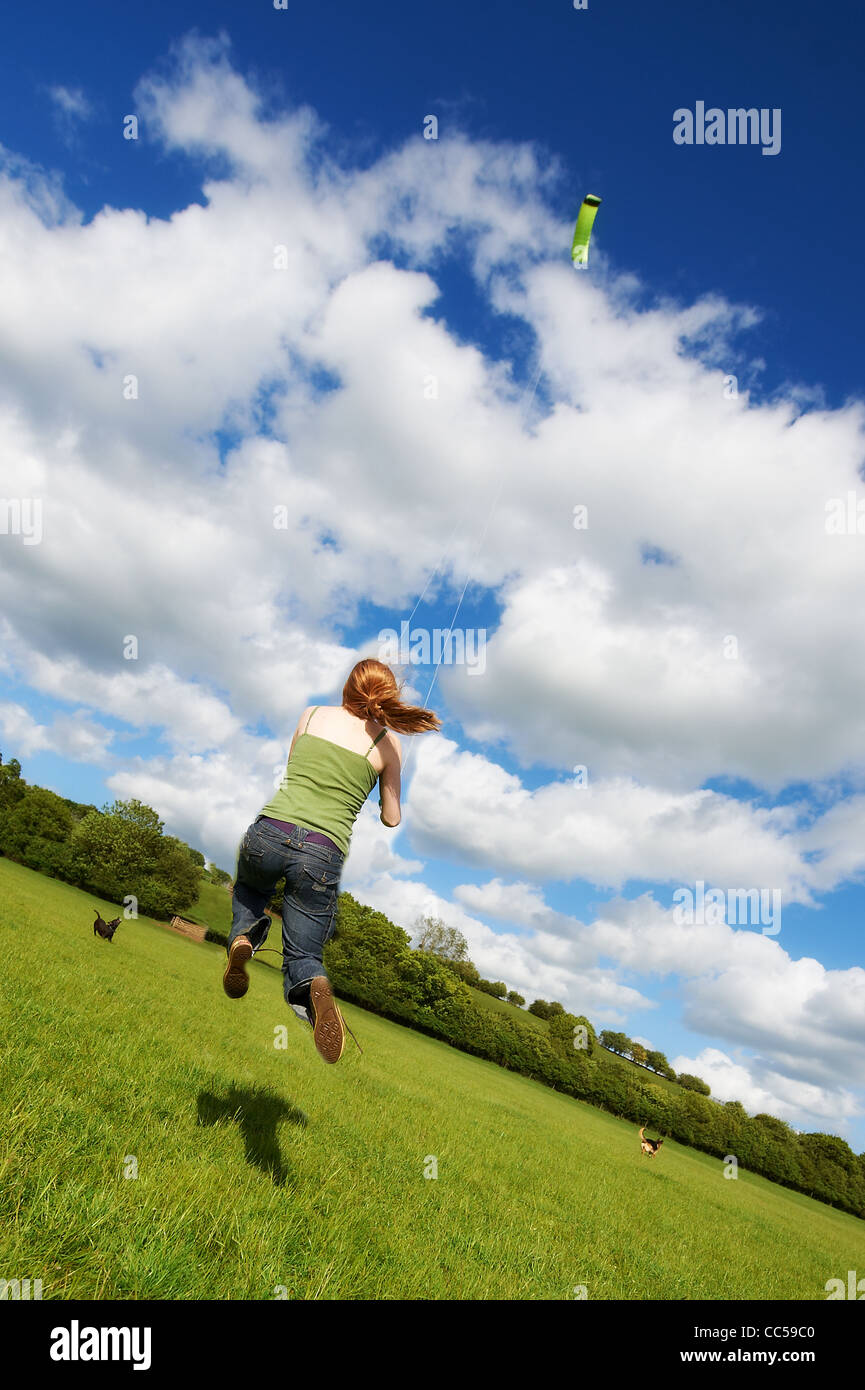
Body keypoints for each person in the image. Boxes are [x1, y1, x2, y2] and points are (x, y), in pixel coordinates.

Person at [223, 658, 441, 1063]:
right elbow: (392, 818)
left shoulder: (312, 714)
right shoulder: (388, 745)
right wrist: (379, 791)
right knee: (304, 954)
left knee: (251, 889)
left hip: (269, 830)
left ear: (348, 688)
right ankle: (313, 987)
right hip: (321, 852)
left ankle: (243, 938)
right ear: (387, 697)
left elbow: (295, 770)